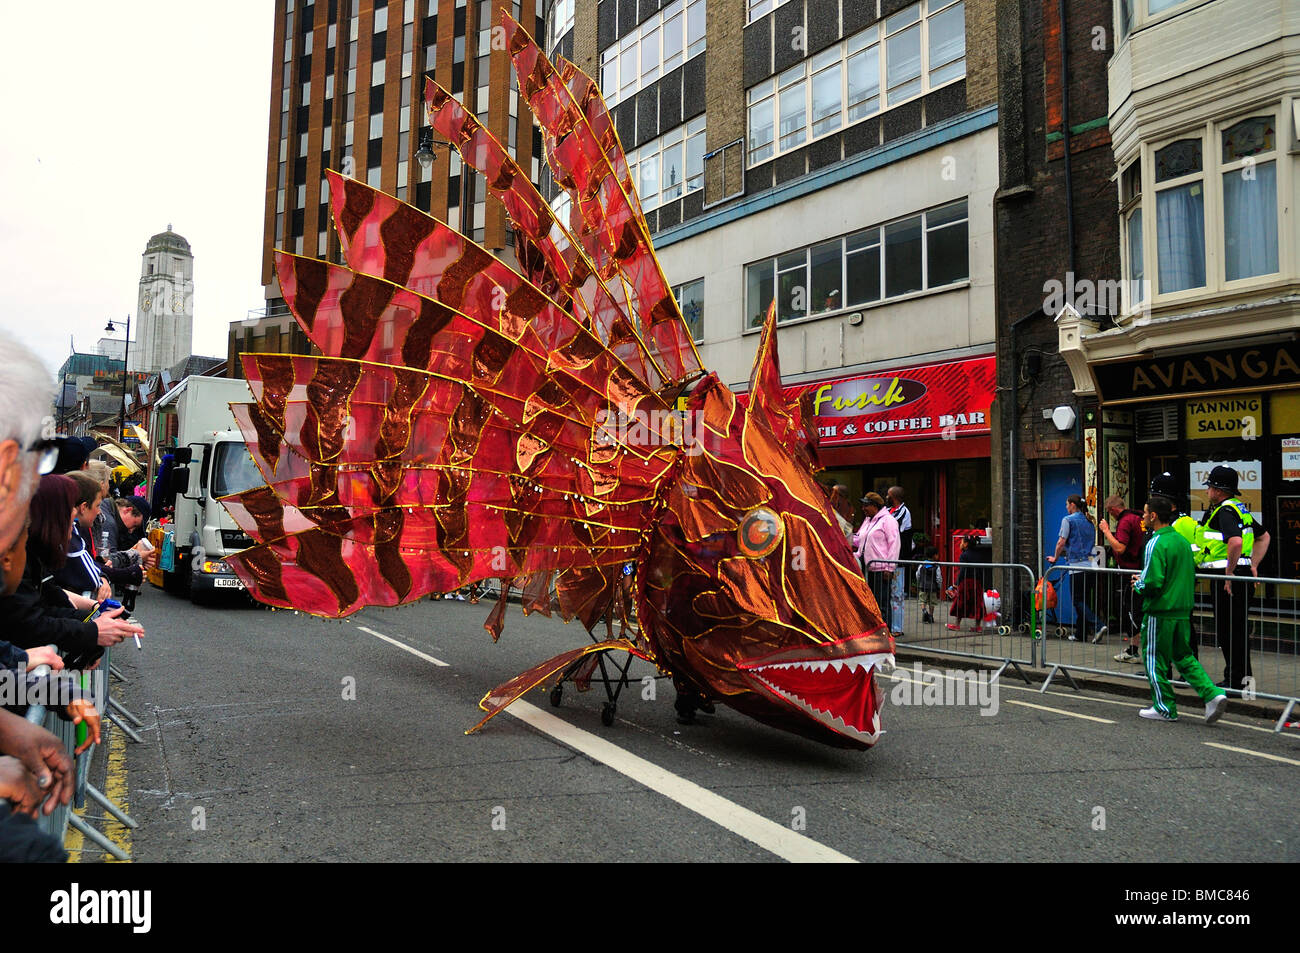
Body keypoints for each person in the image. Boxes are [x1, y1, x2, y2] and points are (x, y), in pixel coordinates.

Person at [1132, 495, 1228, 724]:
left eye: (1145, 513)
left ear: (1154, 516)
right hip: (1182, 609)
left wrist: (1138, 584)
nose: (1143, 517)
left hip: (1160, 611)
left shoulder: (1155, 542)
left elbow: (1154, 582)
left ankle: (1164, 707)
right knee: (1184, 657)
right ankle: (1212, 694)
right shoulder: (1182, 542)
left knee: (1154, 659)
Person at [1198, 465, 1271, 691]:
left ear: (1218, 490)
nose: (1208, 490)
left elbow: (1236, 541)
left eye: (1210, 486)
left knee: (1229, 632)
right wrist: (1253, 564)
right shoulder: (1240, 509)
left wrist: (1230, 572)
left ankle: (1236, 681)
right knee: (1236, 629)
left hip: (1229, 579)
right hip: (1241, 576)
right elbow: (1264, 536)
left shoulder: (1224, 511)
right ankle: (1241, 680)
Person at [1046, 494, 1107, 643]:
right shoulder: (1089, 521)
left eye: (1067, 504)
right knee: (1084, 601)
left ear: (1073, 505)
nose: (1066, 507)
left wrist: (1055, 557)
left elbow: (1061, 542)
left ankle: (1098, 625)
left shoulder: (1068, 520)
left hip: (1077, 566)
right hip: (1092, 566)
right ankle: (1081, 634)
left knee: (1078, 600)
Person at [1099, 494, 1145, 661]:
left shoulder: (1125, 521)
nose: (1110, 516)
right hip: (1142, 570)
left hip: (1130, 573)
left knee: (1133, 613)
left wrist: (1105, 531)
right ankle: (1133, 650)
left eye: (1109, 512)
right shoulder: (1139, 518)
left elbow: (1120, 548)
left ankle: (1145, 653)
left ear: (1113, 510)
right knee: (1137, 612)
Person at [853, 492, 899, 621]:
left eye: (866, 506)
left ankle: (885, 634)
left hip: (880, 569)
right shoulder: (867, 520)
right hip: (865, 567)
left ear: (875, 506)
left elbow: (894, 545)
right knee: (868, 603)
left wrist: (889, 568)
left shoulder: (888, 521)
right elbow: (859, 539)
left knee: (881, 604)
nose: (863, 509)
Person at [947, 533, 987, 630]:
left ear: (966, 544)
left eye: (961, 542)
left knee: (961, 602)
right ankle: (978, 626)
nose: (960, 544)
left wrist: (956, 583)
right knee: (977, 603)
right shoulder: (979, 554)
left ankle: (957, 624)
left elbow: (962, 570)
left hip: (966, 582)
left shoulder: (964, 555)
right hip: (977, 582)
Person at [886, 486, 912, 637]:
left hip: (898, 559)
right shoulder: (890, 510)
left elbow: (895, 531)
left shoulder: (903, 512)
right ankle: (890, 625)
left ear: (894, 497)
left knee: (897, 595)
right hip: (888, 559)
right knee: (890, 595)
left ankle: (897, 627)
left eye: (888, 495)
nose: (886, 497)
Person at [916, 545, 941, 624]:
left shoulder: (922, 565)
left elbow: (918, 575)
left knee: (922, 601)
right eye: (937, 554)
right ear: (934, 555)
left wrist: (919, 582)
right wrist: (939, 586)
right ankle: (930, 616)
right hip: (933, 587)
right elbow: (938, 578)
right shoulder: (936, 566)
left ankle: (924, 611)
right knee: (932, 602)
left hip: (923, 586)